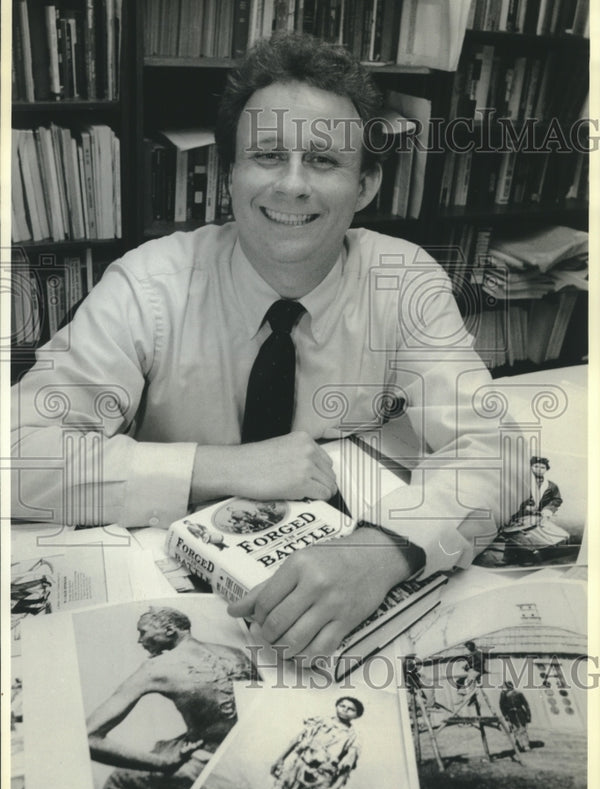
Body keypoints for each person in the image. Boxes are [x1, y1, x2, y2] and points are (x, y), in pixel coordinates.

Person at [11, 32, 524, 661]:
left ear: (365, 186)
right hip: (177, 600)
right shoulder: (149, 283)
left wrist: (384, 549)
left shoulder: (404, 278)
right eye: (267, 155)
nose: (292, 185)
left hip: (339, 584)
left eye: (325, 162)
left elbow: (497, 449)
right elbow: (19, 451)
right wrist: (215, 468)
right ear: (228, 174)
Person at [86, 606, 257, 789]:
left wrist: (163, 764)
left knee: (118, 784)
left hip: (212, 763)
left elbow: (89, 736)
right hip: (246, 752)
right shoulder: (235, 653)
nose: (140, 641)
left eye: (143, 632)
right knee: (164, 745)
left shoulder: (156, 667)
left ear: (169, 630)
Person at [255, 696, 363, 789]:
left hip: (321, 779)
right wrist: (280, 759)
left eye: (351, 709)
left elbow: (346, 768)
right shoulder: (319, 721)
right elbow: (297, 740)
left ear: (356, 715)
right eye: (342, 705)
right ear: (336, 706)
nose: (345, 710)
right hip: (297, 768)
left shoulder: (353, 737)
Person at [499, 681, 532, 751]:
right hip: (511, 715)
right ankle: (519, 745)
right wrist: (505, 716)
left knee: (523, 729)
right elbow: (502, 707)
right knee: (515, 730)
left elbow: (526, 704)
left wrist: (528, 715)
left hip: (520, 713)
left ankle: (526, 745)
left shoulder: (518, 693)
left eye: (505, 687)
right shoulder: (503, 695)